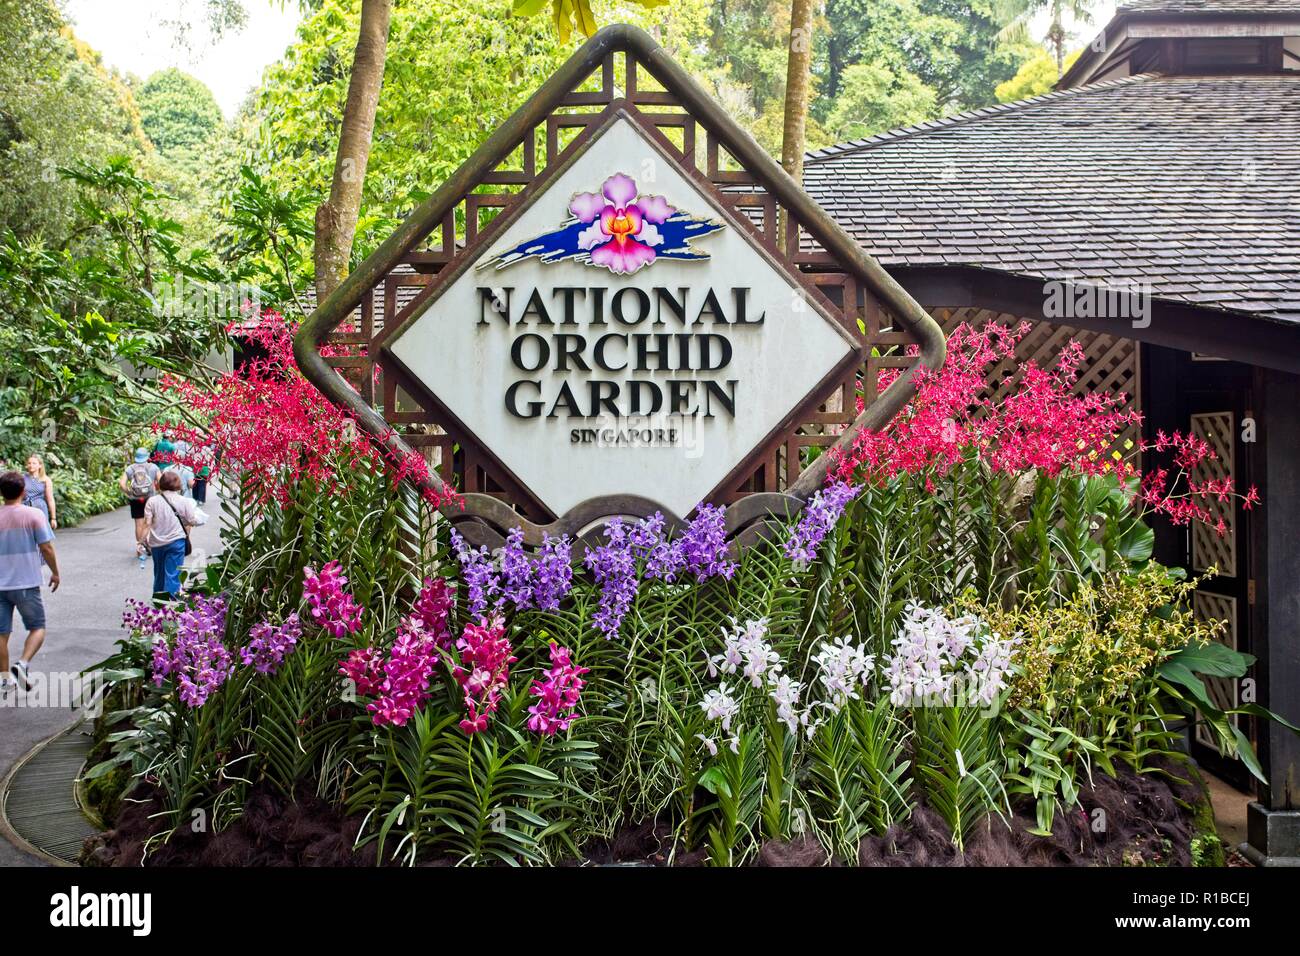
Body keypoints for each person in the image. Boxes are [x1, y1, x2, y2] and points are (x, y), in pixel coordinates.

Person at [0, 471, 59, 695]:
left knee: (1, 633)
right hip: (26, 582)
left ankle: (5, 679)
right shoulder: (34, 515)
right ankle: (22, 664)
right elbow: (46, 547)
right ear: (23, 492)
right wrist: (55, 572)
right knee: (37, 627)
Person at [143, 470, 196, 598]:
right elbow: (192, 520)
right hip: (176, 542)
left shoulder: (152, 501)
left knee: (159, 573)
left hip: (156, 543)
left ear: (160, 484)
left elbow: (147, 523)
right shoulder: (184, 501)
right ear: (177, 484)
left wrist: (143, 540)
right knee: (173, 574)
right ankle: (170, 606)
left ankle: (158, 602)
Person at [119, 448, 160, 552]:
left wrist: (129, 492)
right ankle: (149, 544)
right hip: (150, 498)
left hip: (135, 499)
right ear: (147, 456)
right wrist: (158, 489)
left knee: (139, 524)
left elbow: (122, 484)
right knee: (149, 522)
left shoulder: (130, 468)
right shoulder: (153, 467)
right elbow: (161, 480)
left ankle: (140, 547)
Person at [23, 454, 56, 530]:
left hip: (40, 509)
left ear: (40, 465)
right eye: (29, 463)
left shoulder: (45, 480)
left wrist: (53, 518)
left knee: (41, 534)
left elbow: (50, 499)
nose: (31, 465)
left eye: (34, 463)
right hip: (25, 509)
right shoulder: (22, 478)